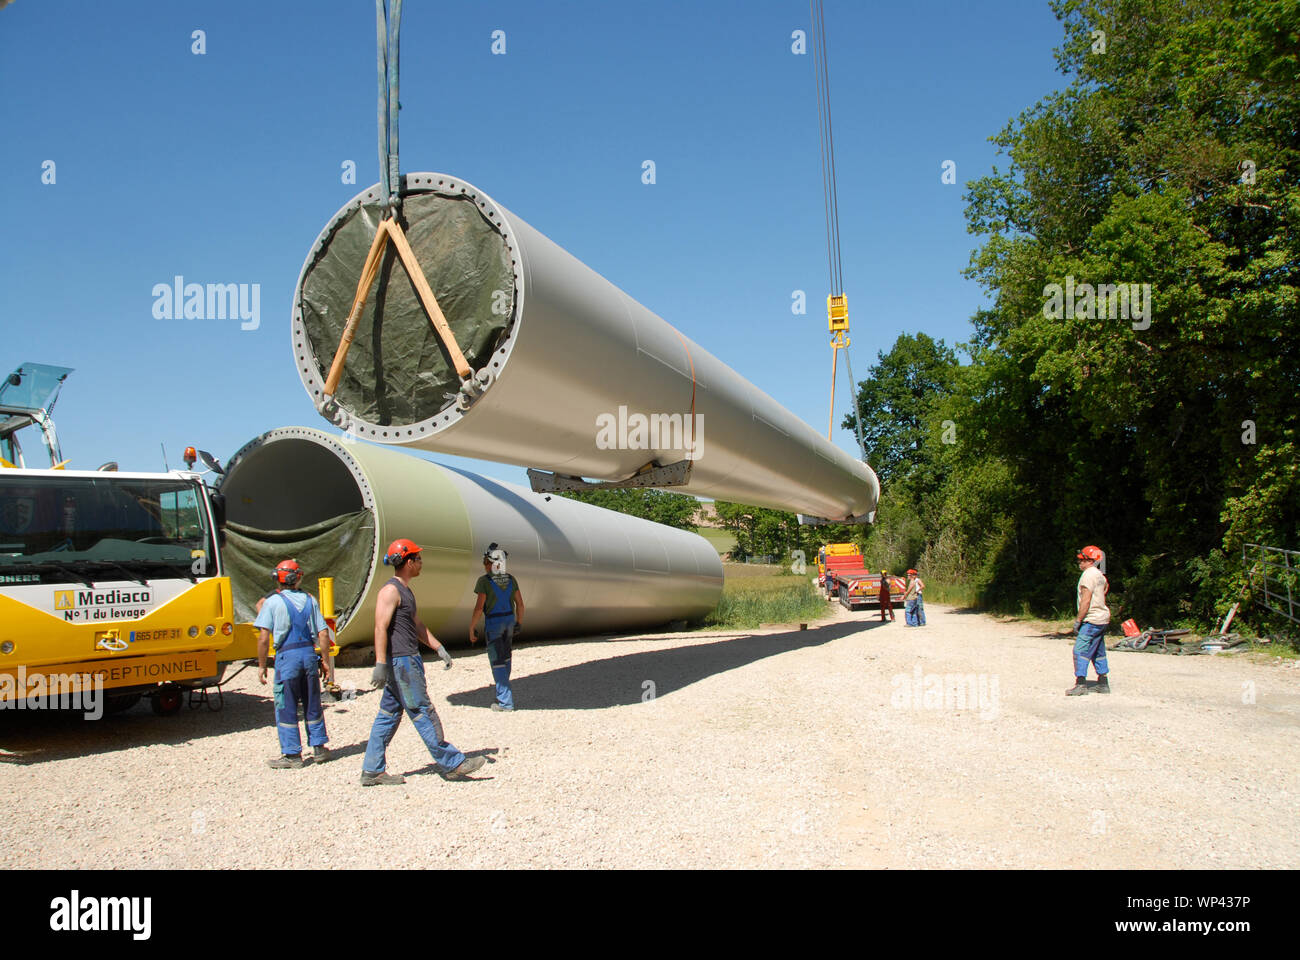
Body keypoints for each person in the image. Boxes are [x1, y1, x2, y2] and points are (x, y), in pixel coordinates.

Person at [360, 538, 485, 785]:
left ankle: (372, 770)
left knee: (388, 714)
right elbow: (380, 627)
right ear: (407, 562)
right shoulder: (390, 591)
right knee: (421, 710)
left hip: (405, 661)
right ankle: (453, 763)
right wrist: (381, 664)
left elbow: (415, 624)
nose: (421, 563)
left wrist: (438, 647)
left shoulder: (405, 590)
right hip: (402, 663)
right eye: (418, 559)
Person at [255, 559, 332, 769]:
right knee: (312, 701)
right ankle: (319, 748)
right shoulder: (310, 600)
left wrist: (262, 665)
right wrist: (325, 661)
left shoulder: (272, 602)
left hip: (287, 658)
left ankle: (292, 755)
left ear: (277, 578)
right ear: (297, 577)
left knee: (286, 704)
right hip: (308, 655)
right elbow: (323, 633)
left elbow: (263, 637)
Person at [469, 542, 526, 711]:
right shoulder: (511, 579)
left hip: (494, 623)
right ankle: (502, 693)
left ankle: (505, 702)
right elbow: (520, 604)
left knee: (497, 661)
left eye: (486, 562)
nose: (485, 566)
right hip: (509, 621)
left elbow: (479, 608)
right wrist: (519, 622)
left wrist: (471, 627)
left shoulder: (484, 582)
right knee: (506, 657)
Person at [1068, 545, 1111, 696]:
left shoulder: (1088, 575)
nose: (1079, 562)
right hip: (1103, 619)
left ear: (1090, 560)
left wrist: (1078, 620)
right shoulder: (1099, 574)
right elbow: (1105, 588)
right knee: (1098, 651)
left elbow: (1085, 600)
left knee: (1080, 650)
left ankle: (1081, 684)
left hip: (1092, 620)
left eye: (1081, 559)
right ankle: (1103, 683)